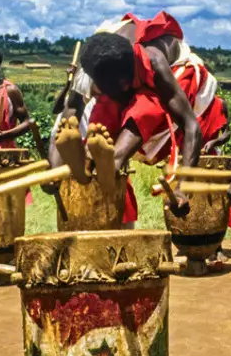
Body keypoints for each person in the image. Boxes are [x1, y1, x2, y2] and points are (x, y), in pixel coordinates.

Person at [58, 12, 202, 220]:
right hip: (117, 77)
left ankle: (113, 160)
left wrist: (184, 186)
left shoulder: (155, 61)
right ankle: (89, 158)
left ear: (128, 82)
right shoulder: (92, 62)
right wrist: (55, 166)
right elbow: (69, 115)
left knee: (145, 106)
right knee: (105, 106)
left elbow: (190, 125)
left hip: (173, 76)